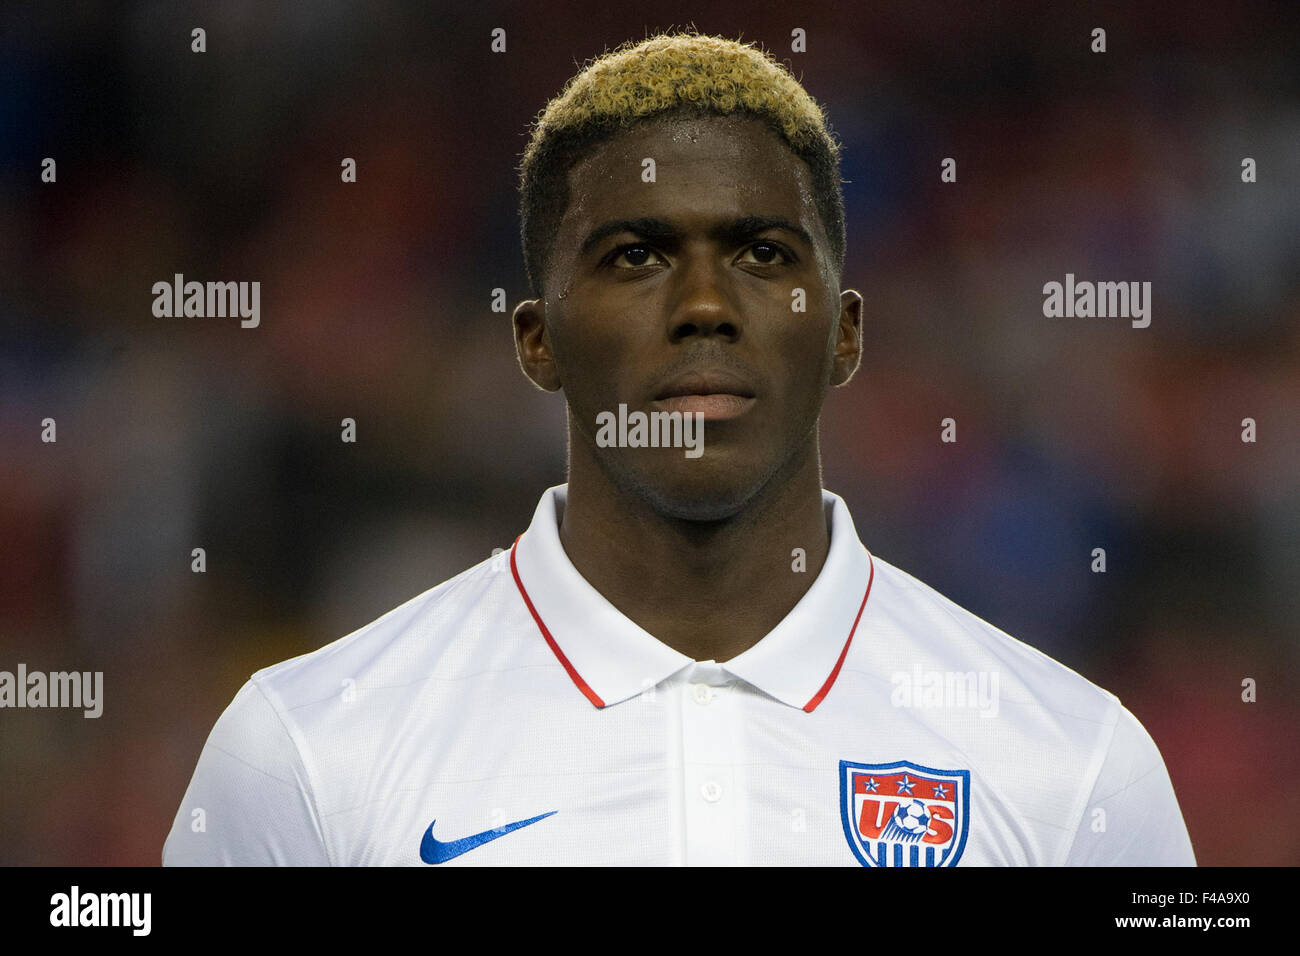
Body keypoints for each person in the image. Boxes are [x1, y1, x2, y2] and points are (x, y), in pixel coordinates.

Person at [163, 31, 1195, 866]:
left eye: (760, 252)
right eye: (635, 254)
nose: (703, 305)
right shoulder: (304, 749)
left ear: (843, 332)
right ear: (536, 341)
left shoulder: (1072, 765)